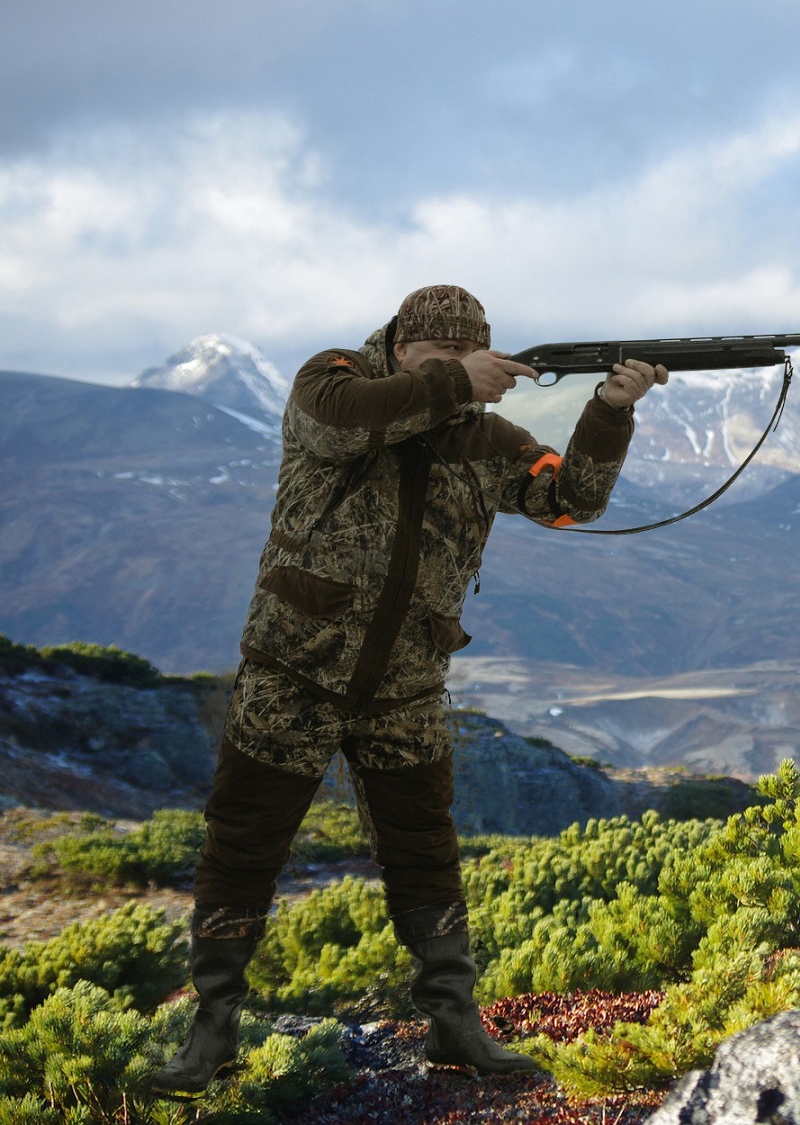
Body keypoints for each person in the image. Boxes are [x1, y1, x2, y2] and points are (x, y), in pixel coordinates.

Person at [153, 285, 667, 1098]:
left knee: (425, 852)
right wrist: (459, 383)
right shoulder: (329, 383)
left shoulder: (486, 437)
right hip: (294, 673)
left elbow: (572, 502)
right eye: (437, 361)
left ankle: (455, 1023)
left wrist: (609, 410)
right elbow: (344, 425)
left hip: (408, 686)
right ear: (400, 350)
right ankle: (212, 1026)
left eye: (466, 361)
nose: (454, 375)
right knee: (244, 845)